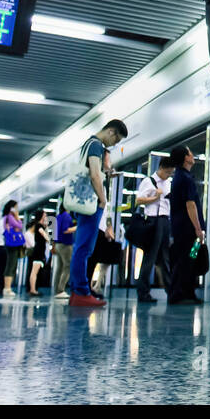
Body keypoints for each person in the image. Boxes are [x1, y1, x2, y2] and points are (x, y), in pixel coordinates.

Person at [68, 119, 127, 308]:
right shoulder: (95, 145)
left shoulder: (89, 144)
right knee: (84, 248)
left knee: (83, 248)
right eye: (116, 140)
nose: (114, 145)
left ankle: (78, 290)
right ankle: (81, 292)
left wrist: (107, 174)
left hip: (86, 201)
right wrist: (102, 199)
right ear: (111, 131)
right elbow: (94, 174)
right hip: (91, 203)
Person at [167, 147, 205, 304]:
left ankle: (188, 292)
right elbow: (190, 205)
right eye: (190, 152)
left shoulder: (180, 177)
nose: (192, 155)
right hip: (188, 229)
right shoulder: (185, 179)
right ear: (185, 158)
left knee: (190, 259)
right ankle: (178, 294)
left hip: (182, 228)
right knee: (186, 260)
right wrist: (198, 228)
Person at [133, 159, 173, 302]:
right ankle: (143, 292)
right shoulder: (148, 181)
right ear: (161, 168)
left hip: (165, 220)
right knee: (150, 257)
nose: (169, 175)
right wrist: (155, 197)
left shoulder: (168, 183)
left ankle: (171, 291)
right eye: (167, 172)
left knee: (165, 257)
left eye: (171, 173)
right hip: (153, 221)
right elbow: (138, 200)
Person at [0, 201, 24, 297]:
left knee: (12, 265)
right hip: (12, 244)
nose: (17, 209)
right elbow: (19, 226)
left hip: (11, 243)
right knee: (11, 265)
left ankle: (8, 288)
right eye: (16, 207)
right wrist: (17, 216)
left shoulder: (7, 217)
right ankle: (7, 288)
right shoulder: (10, 217)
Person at [52, 209, 75, 299]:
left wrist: (53, 245)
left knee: (59, 267)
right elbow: (65, 230)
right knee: (67, 266)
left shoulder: (58, 217)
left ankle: (56, 289)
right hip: (65, 245)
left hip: (58, 244)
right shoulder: (66, 216)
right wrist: (77, 227)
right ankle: (61, 289)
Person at [27, 211, 49, 296]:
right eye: (44, 215)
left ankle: (33, 289)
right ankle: (33, 289)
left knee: (34, 271)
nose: (46, 216)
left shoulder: (40, 226)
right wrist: (48, 238)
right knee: (34, 271)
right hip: (38, 252)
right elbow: (43, 234)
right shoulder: (39, 226)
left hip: (39, 251)